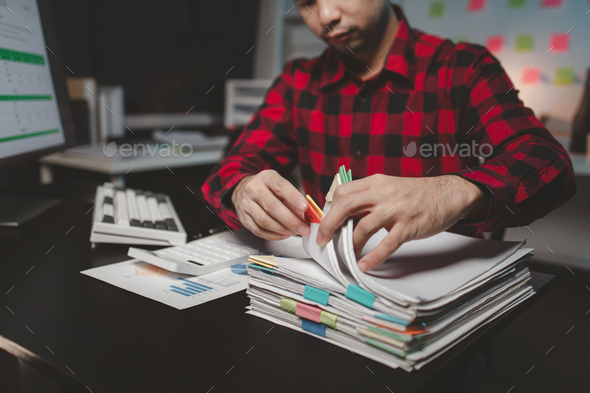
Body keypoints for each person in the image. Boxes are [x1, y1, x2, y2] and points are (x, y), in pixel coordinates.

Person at [202, 0, 575, 272]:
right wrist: (242, 189)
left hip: (438, 302)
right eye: (307, 3)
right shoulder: (298, 82)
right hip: (329, 290)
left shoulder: (463, 68)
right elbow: (230, 169)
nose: (326, 16)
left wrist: (451, 191)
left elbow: (550, 164)